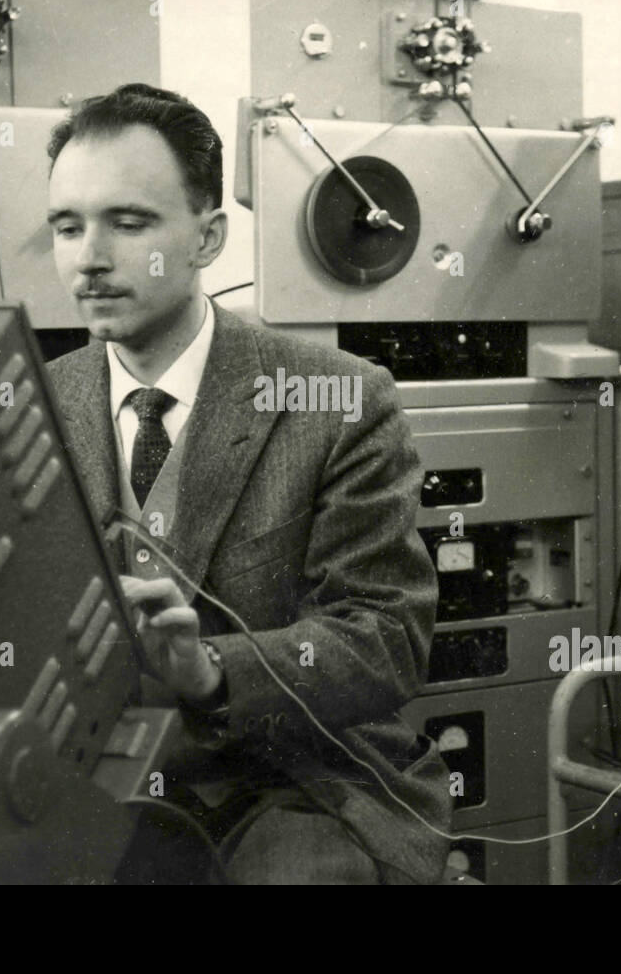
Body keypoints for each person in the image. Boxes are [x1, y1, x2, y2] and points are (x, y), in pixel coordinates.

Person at [42, 83, 450, 884]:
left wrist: (213, 669)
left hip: (298, 782)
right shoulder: (33, 402)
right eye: (67, 226)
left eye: (128, 223)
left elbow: (387, 637)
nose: (89, 257)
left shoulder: (335, 397)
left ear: (207, 238)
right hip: (97, 780)